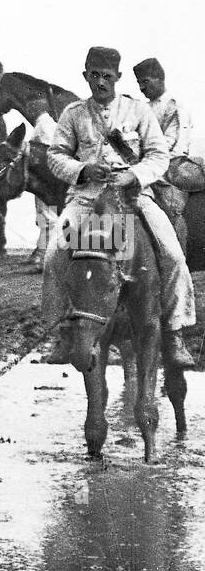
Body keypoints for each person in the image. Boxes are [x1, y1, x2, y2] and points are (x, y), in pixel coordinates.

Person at [43, 46, 195, 369]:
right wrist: (82, 170)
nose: (100, 82)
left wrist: (133, 175)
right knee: (54, 253)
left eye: (107, 76)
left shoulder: (138, 111)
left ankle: (175, 331)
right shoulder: (72, 114)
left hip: (134, 197)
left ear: (117, 77)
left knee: (173, 255)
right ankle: (63, 333)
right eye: (94, 75)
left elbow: (158, 155)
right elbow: (55, 156)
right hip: (85, 199)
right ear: (85, 76)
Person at [23, 94, 58, 272]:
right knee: (45, 217)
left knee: (47, 217)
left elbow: (45, 153)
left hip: (45, 177)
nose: (28, 111)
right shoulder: (45, 123)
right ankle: (42, 255)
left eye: (31, 108)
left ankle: (46, 258)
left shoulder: (43, 125)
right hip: (44, 178)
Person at [133, 58, 193, 158]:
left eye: (145, 81)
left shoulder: (174, 106)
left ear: (160, 79)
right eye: (139, 83)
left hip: (168, 165)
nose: (141, 87)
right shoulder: (144, 107)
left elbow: (174, 147)